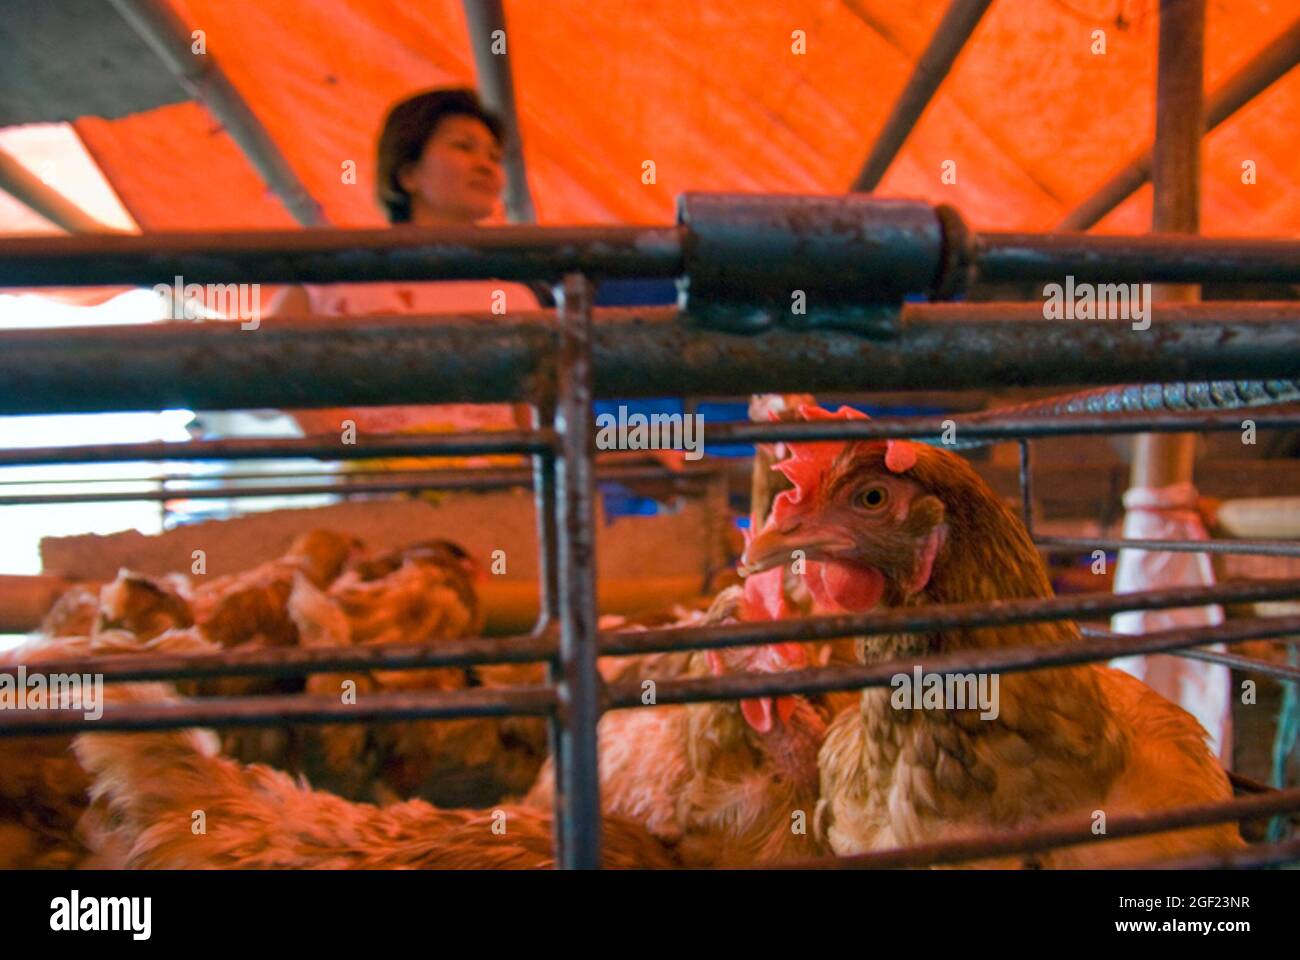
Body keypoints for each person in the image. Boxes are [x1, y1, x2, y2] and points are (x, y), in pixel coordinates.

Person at [272, 88, 544, 460]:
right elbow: (258, 360)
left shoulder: (515, 297)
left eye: (494, 157)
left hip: (491, 497)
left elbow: (527, 419)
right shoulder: (337, 279)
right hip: (382, 495)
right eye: (464, 147)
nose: (486, 165)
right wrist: (320, 423)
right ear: (409, 174)